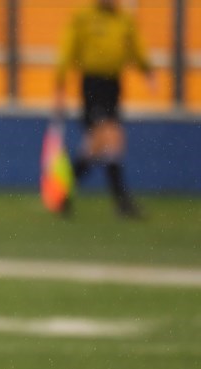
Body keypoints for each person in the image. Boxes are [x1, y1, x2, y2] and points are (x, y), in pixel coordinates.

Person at [55, 0, 155, 219]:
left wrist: (147, 70)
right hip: (92, 84)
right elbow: (68, 48)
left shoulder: (124, 20)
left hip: (113, 85)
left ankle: (62, 193)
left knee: (97, 146)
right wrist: (60, 81)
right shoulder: (83, 18)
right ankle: (121, 201)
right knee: (111, 137)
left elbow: (135, 47)